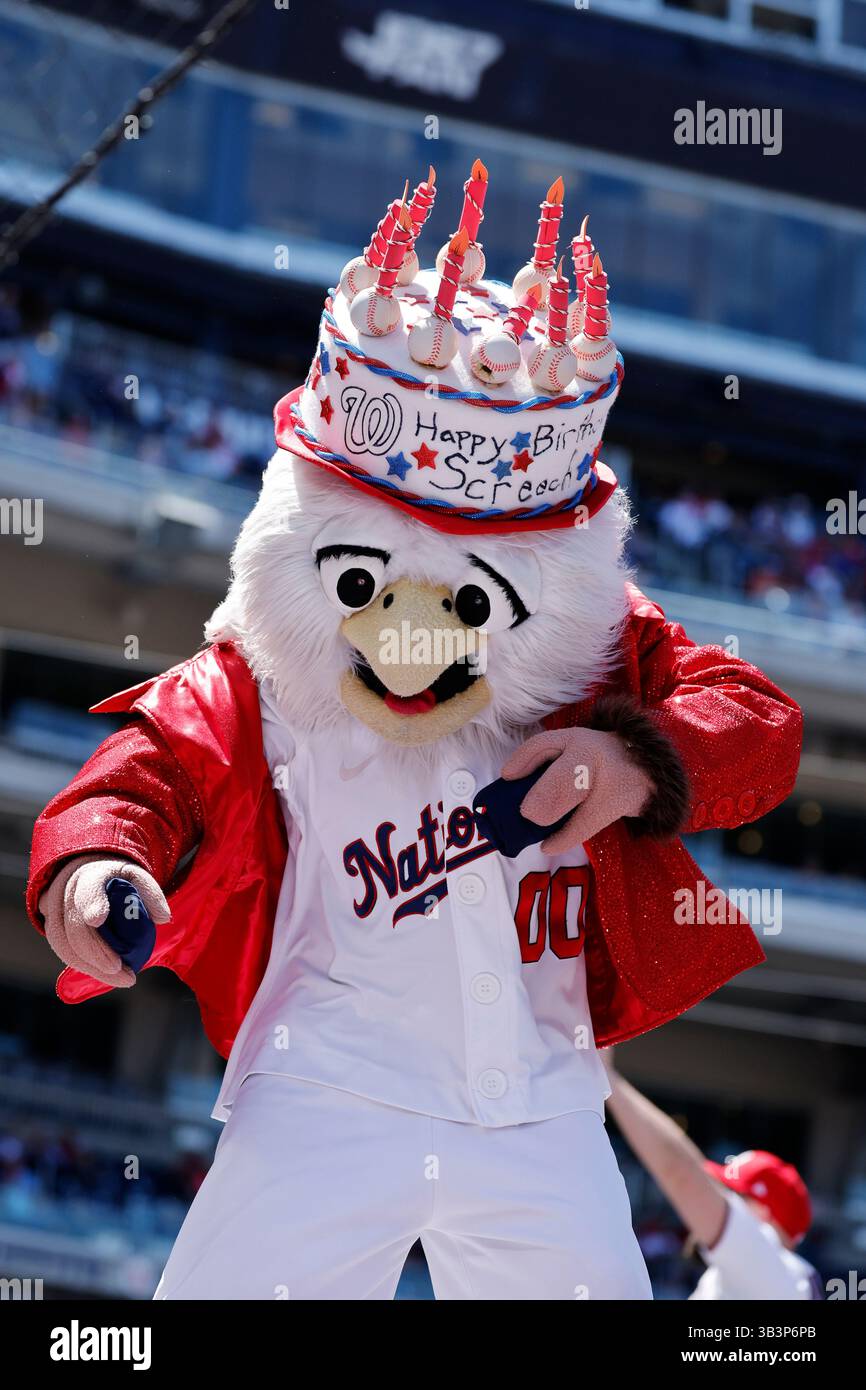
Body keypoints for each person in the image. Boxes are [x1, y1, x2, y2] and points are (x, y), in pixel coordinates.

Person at [605, 1060, 820, 1300]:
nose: (714, 1197)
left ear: (763, 1213)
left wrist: (609, 1079)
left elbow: (681, 1174)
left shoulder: (773, 1268)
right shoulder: (763, 1274)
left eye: (729, 1193)